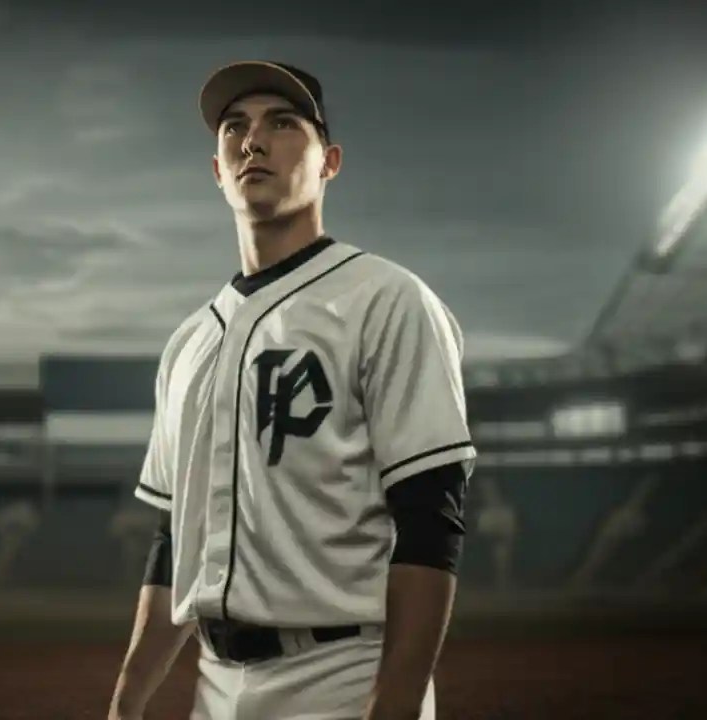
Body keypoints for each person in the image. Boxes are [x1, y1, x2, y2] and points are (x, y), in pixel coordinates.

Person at [106, 60, 476, 720]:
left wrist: (393, 701)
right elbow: (174, 539)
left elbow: (431, 515)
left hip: (344, 674)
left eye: (282, 123)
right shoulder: (188, 343)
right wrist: (128, 697)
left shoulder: (387, 301)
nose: (253, 141)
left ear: (330, 160)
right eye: (234, 129)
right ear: (218, 171)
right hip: (215, 684)